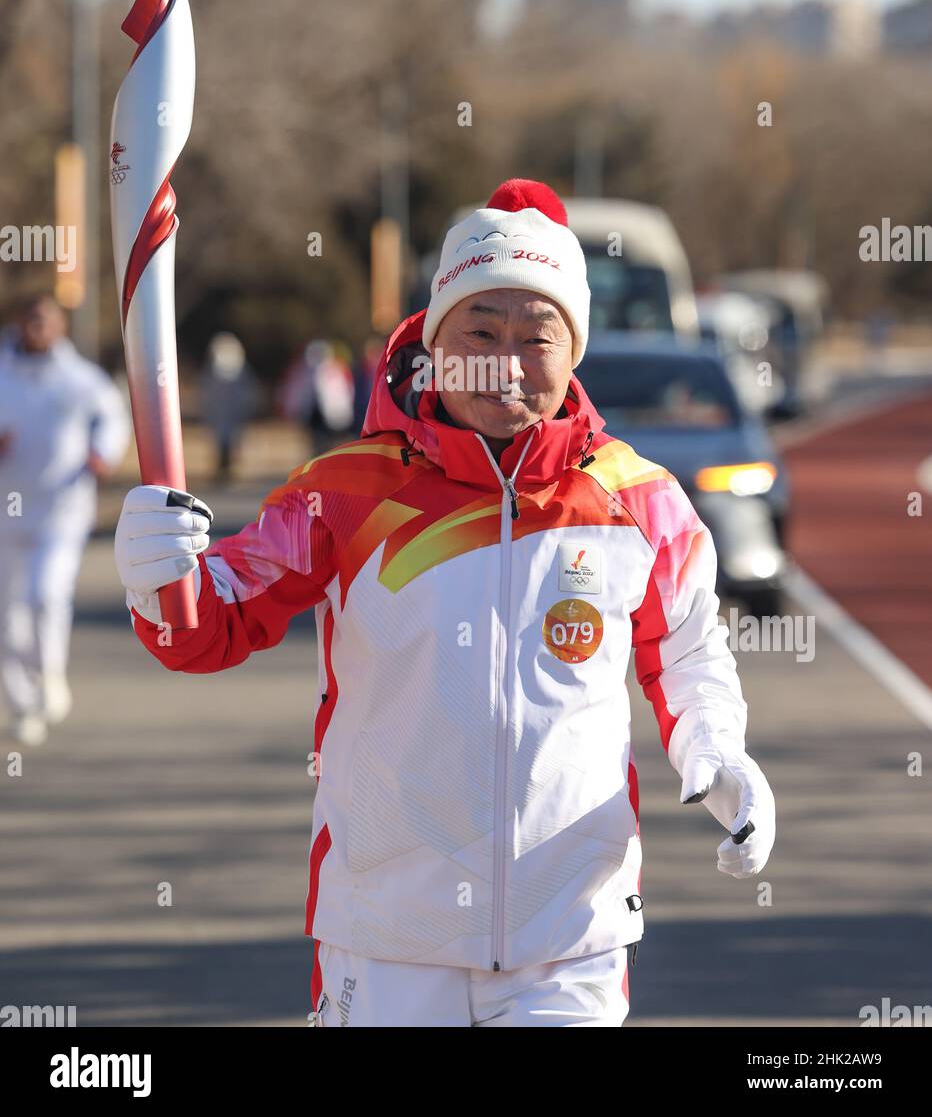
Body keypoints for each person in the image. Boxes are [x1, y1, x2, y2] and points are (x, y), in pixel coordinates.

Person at [114, 179, 776, 1028]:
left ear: (573, 351)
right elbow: (208, 624)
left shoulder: (639, 502)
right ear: (434, 340)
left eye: (537, 336)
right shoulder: (346, 492)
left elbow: (687, 656)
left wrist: (719, 748)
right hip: (388, 940)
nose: (506, 357)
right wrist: (160, 577)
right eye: (480, 331)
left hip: (569, 938)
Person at [0, 291, 130, 745]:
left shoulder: (80, 379)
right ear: (18, 322)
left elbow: (112, 419)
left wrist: (102, 453)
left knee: (45, 595)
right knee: (7, 613)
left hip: (62, 509)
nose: (36, 326)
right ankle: (22, 701)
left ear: (59, 327)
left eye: (45, 319)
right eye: (29, 317)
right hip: (7, 510)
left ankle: (50, 675)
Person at [198, 332, 259, 481]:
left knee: (232, 440)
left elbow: (247, 391)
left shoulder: (240, 371)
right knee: (220, 441)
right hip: (220, 413)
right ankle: (222, 468)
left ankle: (228, 468)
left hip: (231, 413)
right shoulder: (214, 370)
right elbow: (206, 391)